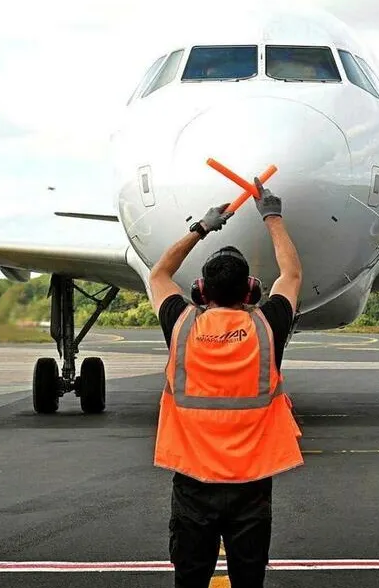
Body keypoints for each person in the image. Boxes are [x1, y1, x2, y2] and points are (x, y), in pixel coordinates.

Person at [148, 179, 304, 588]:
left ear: (199, 290)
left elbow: (159, 272)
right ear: (252, 289)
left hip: (193, 484)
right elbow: (291, 273)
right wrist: (271, 214)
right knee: (248, 581)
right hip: (251, 486)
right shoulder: (267, 327)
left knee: (190, 579)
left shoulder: (180, 325)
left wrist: (203, 226)